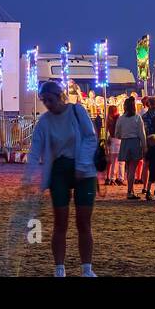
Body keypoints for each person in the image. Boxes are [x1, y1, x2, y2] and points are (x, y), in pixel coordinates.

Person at [25, 81, 98, 277]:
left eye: (50, 99)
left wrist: (82, 165)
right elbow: (35, 150)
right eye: (45, 101)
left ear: (60, 97)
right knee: (60, 222)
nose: (48, 104)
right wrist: (28, 178)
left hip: (83, 171)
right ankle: (59, 268)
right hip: (58, 171)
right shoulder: (44, 122)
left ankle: (87, 269)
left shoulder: (77, 111)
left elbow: (91, 138)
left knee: (83, 222)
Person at [114, 97, 146, 201]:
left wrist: (123, 136)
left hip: (125, 142)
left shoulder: (121, 118)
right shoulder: (137, 117)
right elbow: (142, 133)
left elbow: (117, 133)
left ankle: (130, 190)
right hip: (134, 142)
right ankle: (129, 191)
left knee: (128, 169)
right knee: (132, 169)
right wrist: (144, 146)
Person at [102, 104, 121, 186]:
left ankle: (108, 177)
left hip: (111, 140)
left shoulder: (108, 119)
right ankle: (113, 178)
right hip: (117, 140)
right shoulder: (118, 118)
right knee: (116, 161)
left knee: (110, 161)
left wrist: (106, 141)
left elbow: (106, 132)